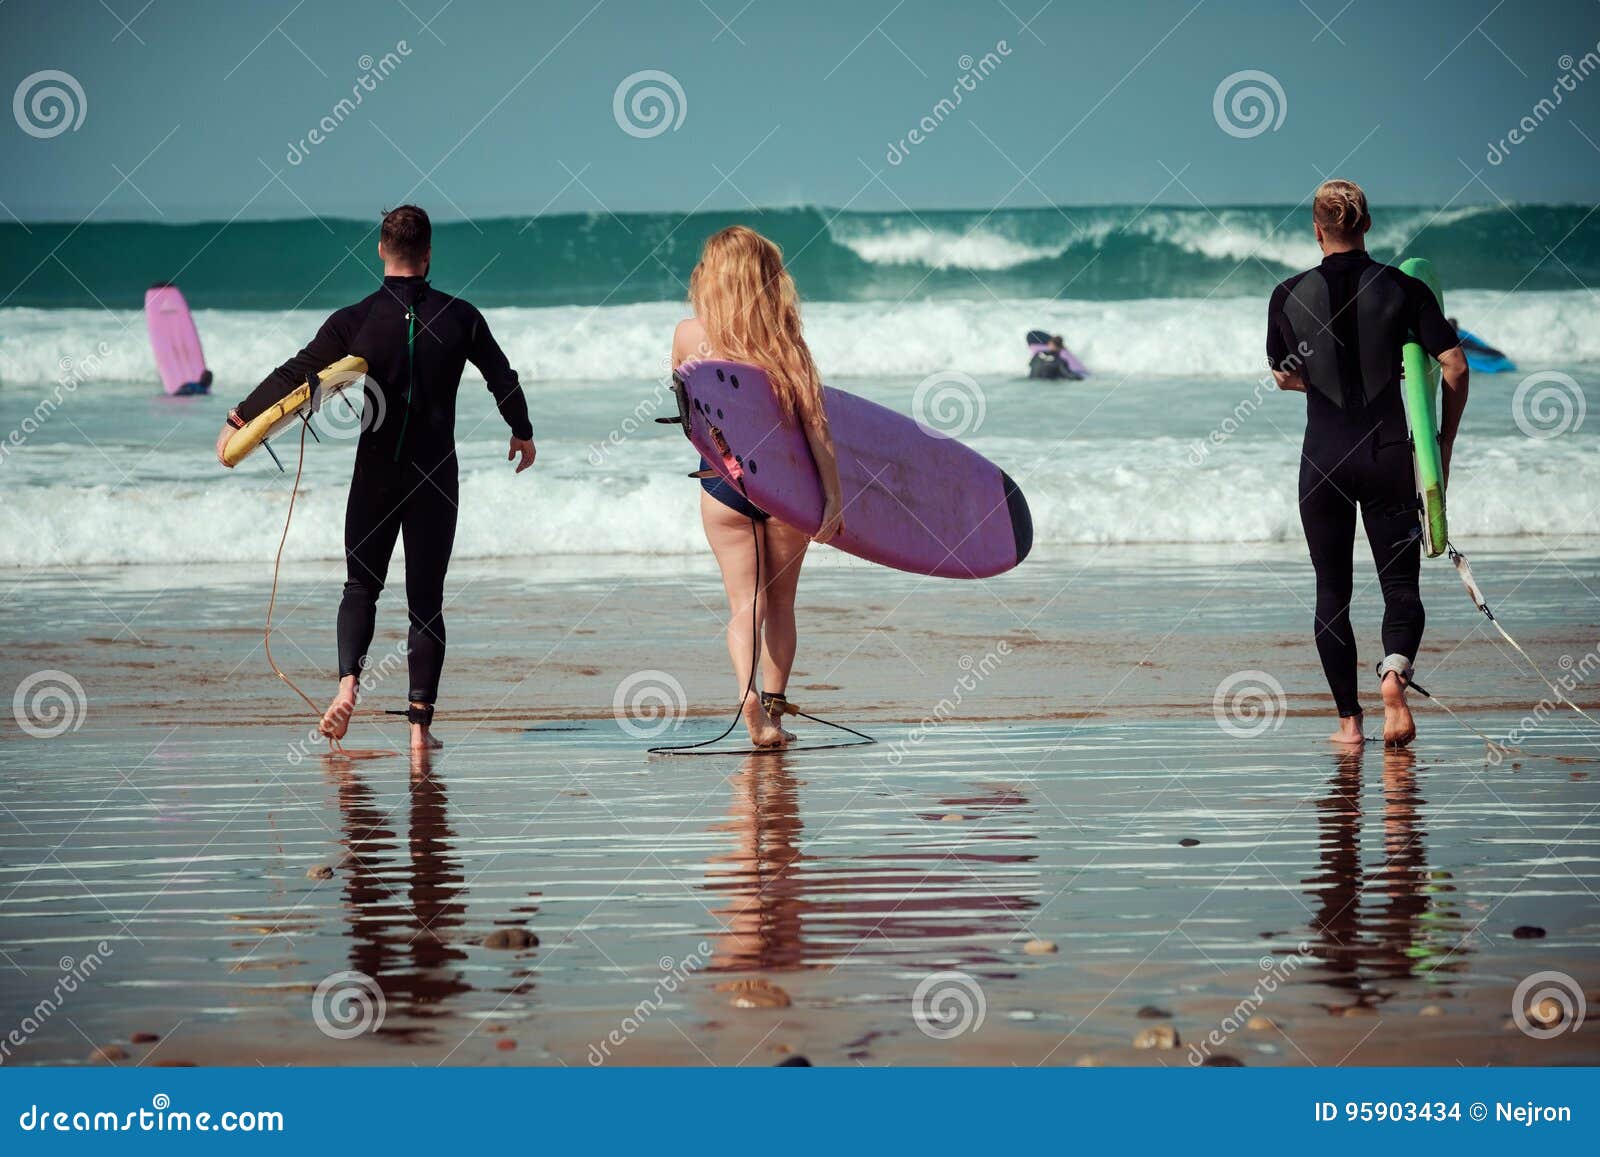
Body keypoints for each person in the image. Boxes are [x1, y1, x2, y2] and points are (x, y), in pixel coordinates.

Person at [214, 205, 537, 752]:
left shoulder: (356, 319)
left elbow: (297, 373)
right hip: (435, 474)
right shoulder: (462, 317)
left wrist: (239, 418)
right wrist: (522, 431)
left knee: (361, 586)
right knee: (426, 602)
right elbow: (500, 375)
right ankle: (419, 730)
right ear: (429, 253)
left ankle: (347, 686)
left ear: (381, 250)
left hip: (376, 473)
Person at [1268, 179, 1469, 747]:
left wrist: (1326, 377)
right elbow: (1453, 366)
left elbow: (1285, 375)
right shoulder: (1404, 289)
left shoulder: (1285, 294)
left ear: (1315, 230)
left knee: (1332, 591)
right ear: (1368, 225)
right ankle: (1394, 679)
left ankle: (1348, 726)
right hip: (1389, 456)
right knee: (1399, 587)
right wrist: (1441, 443)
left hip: (1323, 461)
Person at [672, 226, 845, 749]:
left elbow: (691, 417)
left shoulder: (686, 334)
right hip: (787, 490)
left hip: (723, 486)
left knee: (744, 603)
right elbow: (816, 425)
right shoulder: (783, 336)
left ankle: (745, 693)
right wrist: (834, 497)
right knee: (781, 604)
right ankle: (771, 708)